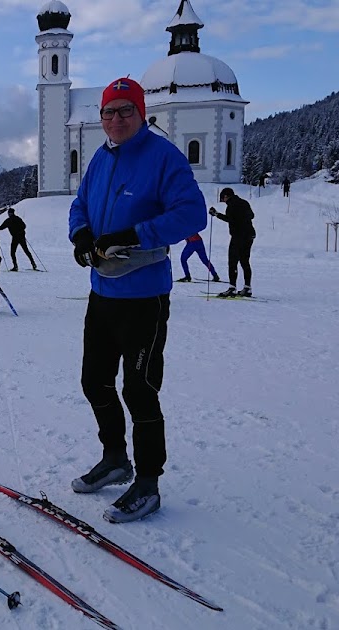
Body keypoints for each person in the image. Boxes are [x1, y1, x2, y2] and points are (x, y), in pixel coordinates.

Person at [67, 77, 206, 523]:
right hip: (102, 292)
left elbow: (192, 213)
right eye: (109, 112)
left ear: (141, 113)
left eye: (126, 110)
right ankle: (115, 459)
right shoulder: (100, 159)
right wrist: (82, 235)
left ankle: (148, 484)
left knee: (140, 390)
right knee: (95, 382)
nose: (116, 119)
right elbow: (80, 206)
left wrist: (136, 233)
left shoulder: (163, 157)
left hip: (145, 297)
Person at [209, 188, 256, 297]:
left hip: (239, 236)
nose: (223, 200)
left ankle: (232, 288)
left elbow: (230, 219)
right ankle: (247, 288)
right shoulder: (244, 202)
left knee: (232, 261)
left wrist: (216, 214)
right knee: (245, 261)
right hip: (250, 235)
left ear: (227, 196)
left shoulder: (232, 206)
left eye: (223, 198)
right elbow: (252, 215)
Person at [0, 206, 37, 271]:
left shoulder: (8, 221)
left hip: (15, 238)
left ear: (9, 213)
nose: (9, 214)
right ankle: (33, 264)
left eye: (9, 213)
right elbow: (24, 226)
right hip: (21, 237)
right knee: (26, 251)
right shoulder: (18, 219)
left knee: (13, 252)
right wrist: (21, 231)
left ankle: (15, 266)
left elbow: (0, 228)